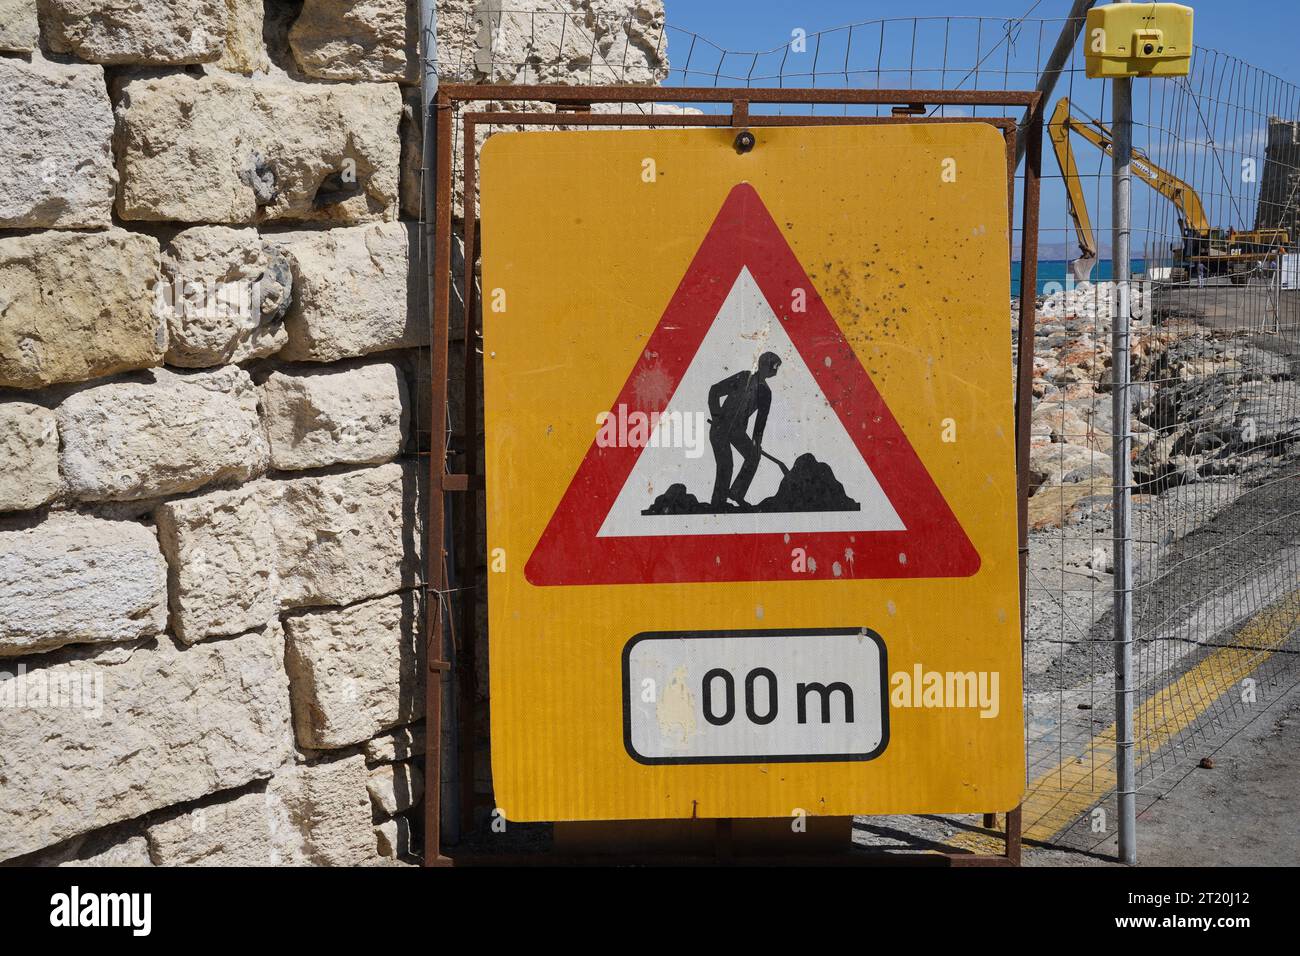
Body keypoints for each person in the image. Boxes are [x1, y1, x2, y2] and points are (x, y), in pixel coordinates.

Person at [708, 351, 781, 508]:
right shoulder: (743, 377)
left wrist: (756, 443)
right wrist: (716, 416)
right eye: (774, 367)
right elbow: (714, 391)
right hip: (720, 428)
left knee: (754, 456)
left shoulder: (766, 393)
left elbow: (760, 422)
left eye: (776, 368)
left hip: (737, 432)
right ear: (763, 365)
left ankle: (736, 493)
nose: (775, 371)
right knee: (726, 465)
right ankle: (718, 504)